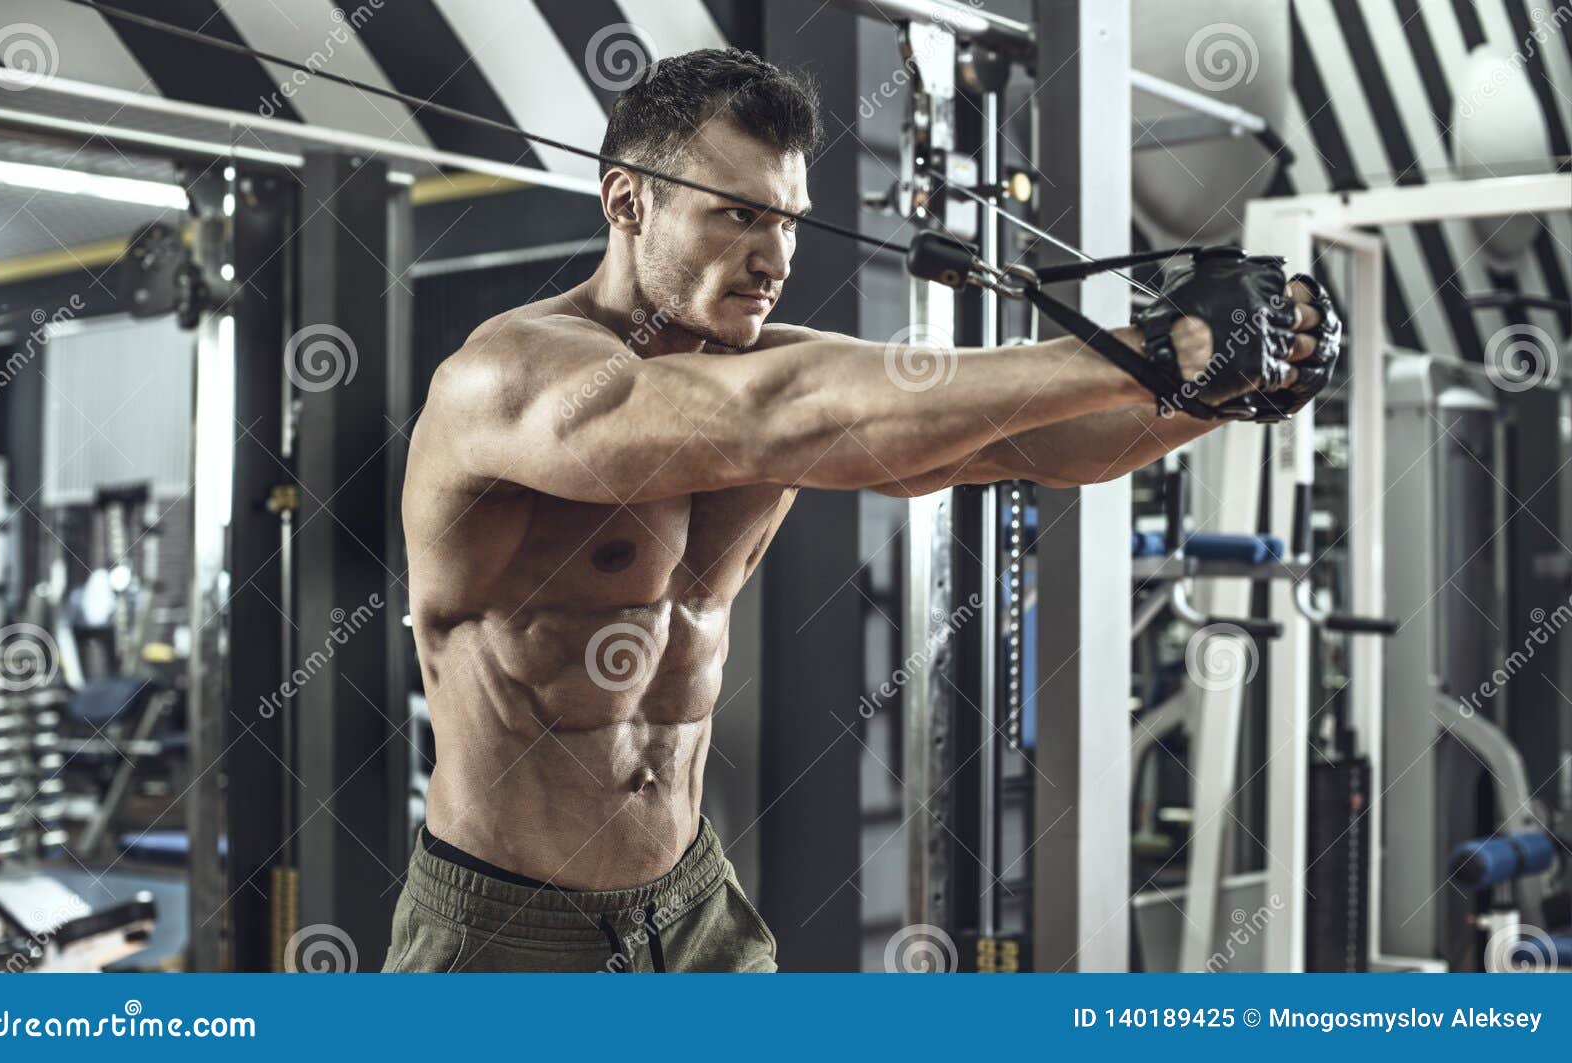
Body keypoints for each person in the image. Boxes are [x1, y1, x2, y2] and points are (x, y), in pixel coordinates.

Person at [384, 48, 1336, 973]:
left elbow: (1030, 445)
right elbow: (764, 421)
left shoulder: (763, 369)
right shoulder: (506, 376)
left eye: (790, 221)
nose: (775, 256)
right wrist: (1151, 346)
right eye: (738, 216)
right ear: (628, 201)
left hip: (691, 903)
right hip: (509, 932)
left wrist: (1223, 392)